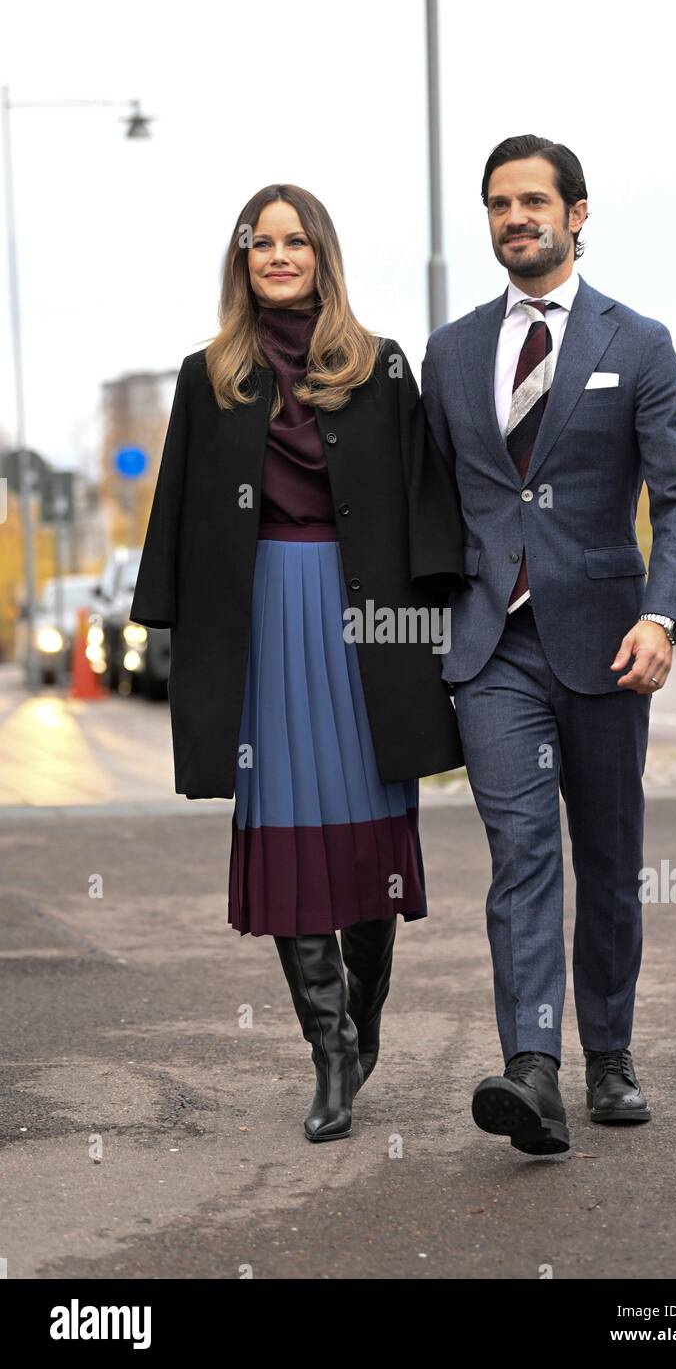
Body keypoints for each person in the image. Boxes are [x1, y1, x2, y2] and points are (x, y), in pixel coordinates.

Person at [130, 183, 464, 1144]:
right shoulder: (209, 375)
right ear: (242, 260)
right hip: (261, 619)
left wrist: (440, 620)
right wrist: (171, 628)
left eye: (295, 242)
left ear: (322, 253)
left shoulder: (381, 366)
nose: (278, 256)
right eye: (260, 243)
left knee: (368, 837)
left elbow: (421, 503)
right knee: (285, 830)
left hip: (367, 624)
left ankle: (361, 1027)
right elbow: (180, 512)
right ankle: (325, 1054)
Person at [421, 135, 676, 1156]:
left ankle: (613, 1054)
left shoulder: (639, 342)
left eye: (533, 200)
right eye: (498, 203)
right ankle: (533, 1069)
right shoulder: (452, 353)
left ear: (576, 213)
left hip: (606, 642)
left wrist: (664, 615)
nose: (514, 218)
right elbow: (427, 504)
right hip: (492, 648)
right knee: (522, 853)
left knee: (612, 859)